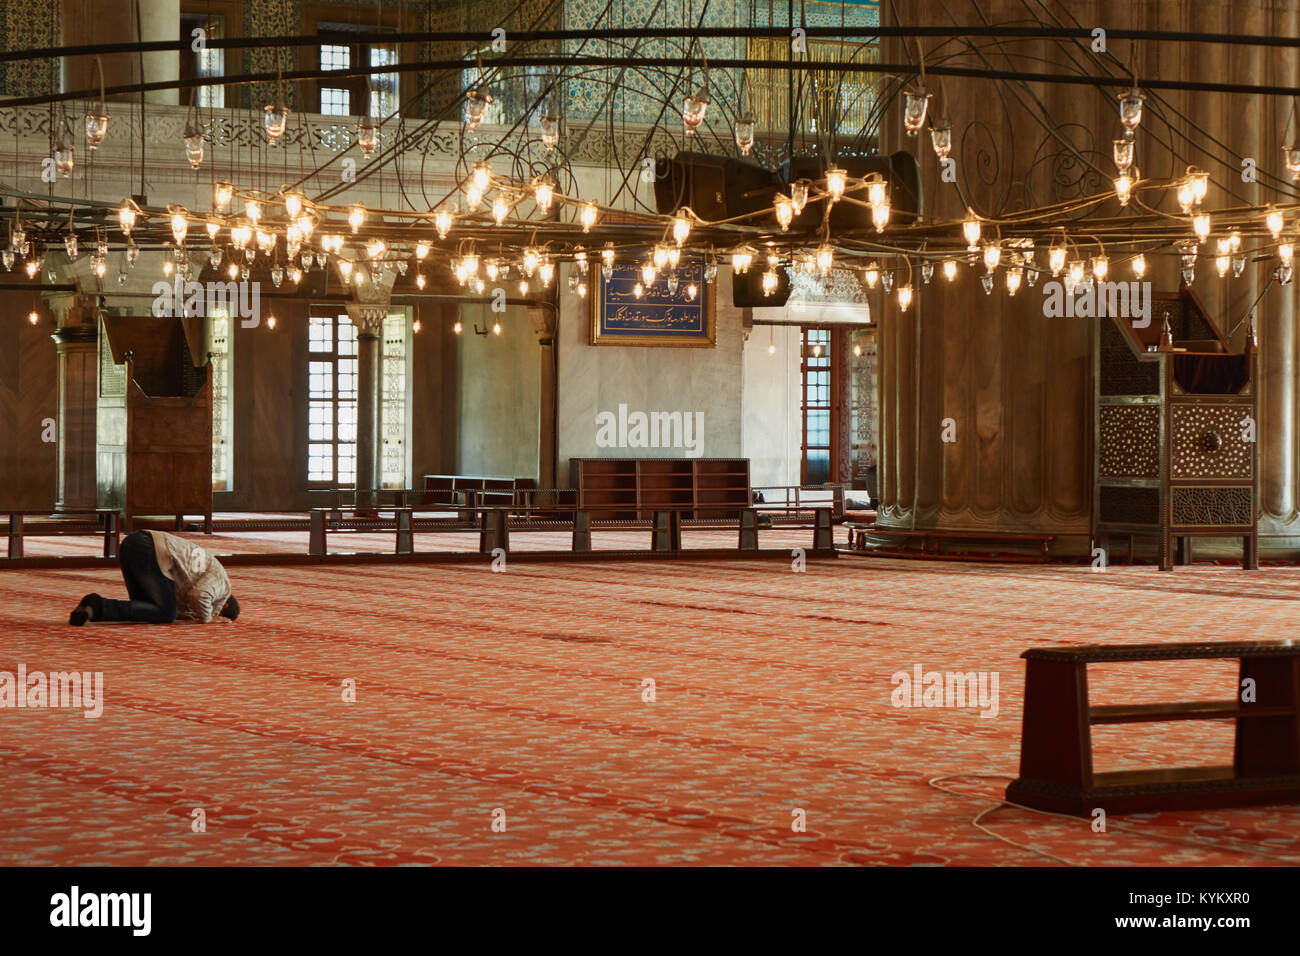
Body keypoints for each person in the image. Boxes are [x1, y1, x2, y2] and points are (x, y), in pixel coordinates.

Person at [69, 530, 239, 626]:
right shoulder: (222, 584)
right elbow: (200, 595)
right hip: (148, 548)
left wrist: (182, 614)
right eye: (218, 611)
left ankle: (92, 608)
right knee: (166, 613)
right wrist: (209, 618)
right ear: (224, 605)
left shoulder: (206, 569)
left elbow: (184, 585)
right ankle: (98, 606)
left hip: (133, 544)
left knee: (148, 610)